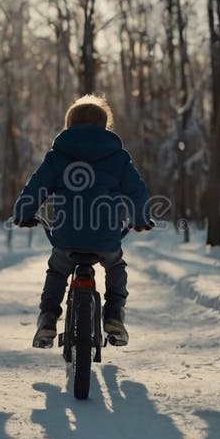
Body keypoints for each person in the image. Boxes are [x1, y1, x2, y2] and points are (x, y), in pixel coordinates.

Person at [12, 94, 153, 348]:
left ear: (69, 124)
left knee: (57, 271)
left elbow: (37, 187)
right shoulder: (118, 157)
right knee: (115, 266)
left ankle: (47, 320)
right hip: (106, 237)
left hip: (67, 236)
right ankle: (114, 316)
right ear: (104, 126)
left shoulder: (58, 155)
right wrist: (141, 218)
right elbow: (136, 191)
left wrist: (24, 214)